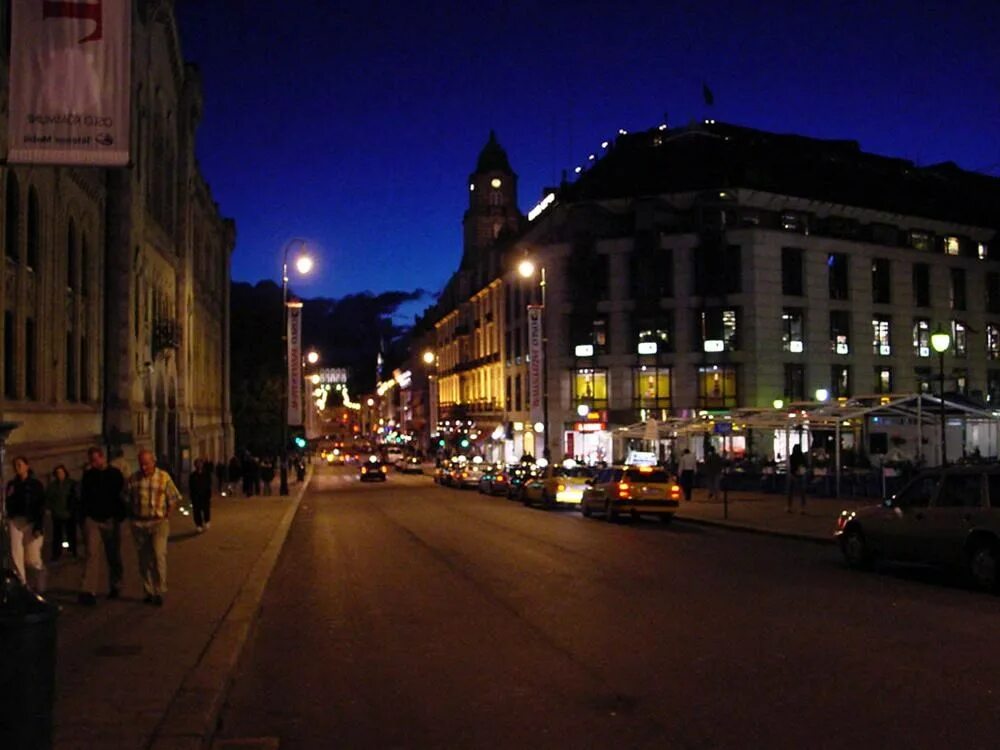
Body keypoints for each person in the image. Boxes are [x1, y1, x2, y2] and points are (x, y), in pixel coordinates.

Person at [129, 449, 182, 606]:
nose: (144, 467)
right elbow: (126, 497)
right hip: (139, 523)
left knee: (159, 555)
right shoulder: (133, 479)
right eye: (141, 464)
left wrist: (167, 515)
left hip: (158, 522)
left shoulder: (164, 477)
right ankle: (148, 590)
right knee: (144, 559)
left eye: (146, 464)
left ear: (153, 462)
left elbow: (174, 497)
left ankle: (159, 590)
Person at [78, 446, 127, 605]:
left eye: (95, 459)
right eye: (91, 460)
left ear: (102, 457)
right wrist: (83, 517)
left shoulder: (115, 474)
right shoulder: (88, 476)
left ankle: (115, 584)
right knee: (92, 554)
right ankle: (88, 590)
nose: (93, 463)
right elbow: (84, 497)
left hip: (110, 519)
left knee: (113, 554)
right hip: (93, 519)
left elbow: (120, 495)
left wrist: (119, 515)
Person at [4, 456, 47, 591]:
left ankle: (39, 584)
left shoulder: (35, 485)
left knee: (32, 558)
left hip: (31, 521)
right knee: (16, 554)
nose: (17, 468)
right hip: (15, 520)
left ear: (27, 466)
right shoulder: (12, 485)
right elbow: (8, 501)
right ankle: (22, 585)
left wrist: (38, 525)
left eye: (20, 464)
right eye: (15, 465)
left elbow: (40, 505)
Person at [46, 464, 78, 560]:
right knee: (57, 535)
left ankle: (73, 551)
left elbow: (75, 497)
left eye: (61, 472)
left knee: (71, 534)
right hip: (57, 514)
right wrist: (50, 508)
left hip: (69, 513)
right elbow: (48, 498)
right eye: (57, 473)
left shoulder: (71, 484)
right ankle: (57, 553)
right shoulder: (52, 486)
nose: (59, 474)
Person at [189, 458, 213, 532]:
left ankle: (207, 521)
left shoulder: (206, 474)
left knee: (206, 509)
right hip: (196, 496)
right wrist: (191, 496)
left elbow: (209, 484)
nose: (199, 465)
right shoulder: (193, 475)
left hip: (205, 495)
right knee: (196, 511)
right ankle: (199, 525)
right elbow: (191, 487)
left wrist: (209, 494)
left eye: (200, 463)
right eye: (197, 464)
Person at [787, 443, 808, 513]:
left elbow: (791, 466)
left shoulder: (792, 457)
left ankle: (789, 506)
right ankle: (802, 508)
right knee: (802, 492)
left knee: (791, 491)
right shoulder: (802, 457)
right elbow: (806, 465)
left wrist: (794, 471)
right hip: (800, 475)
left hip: (793, 475)